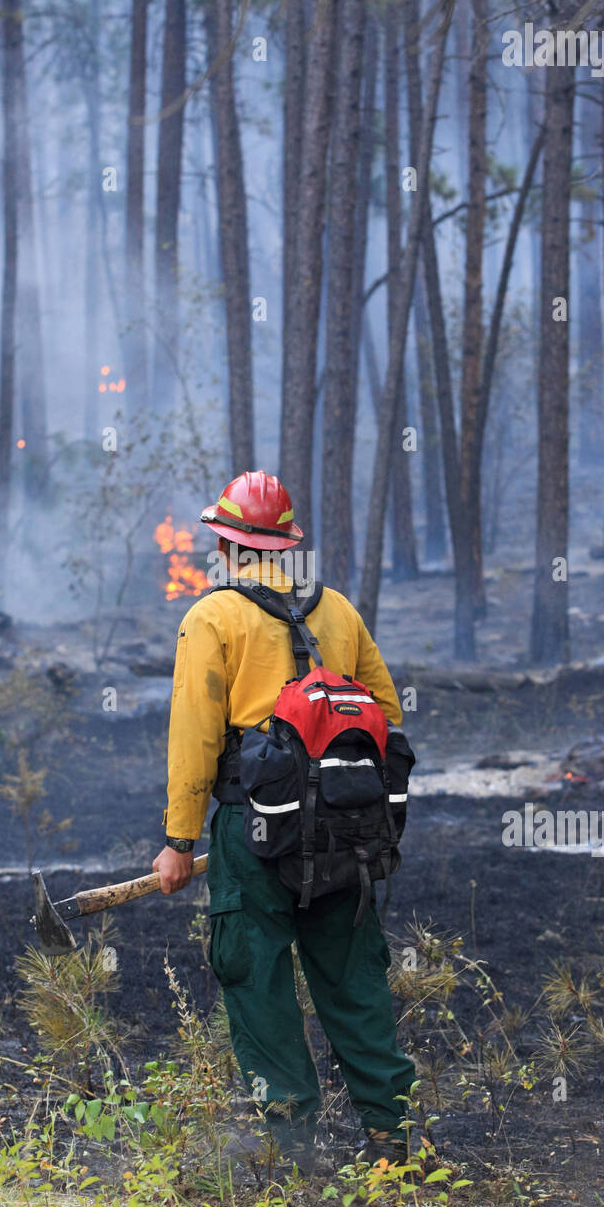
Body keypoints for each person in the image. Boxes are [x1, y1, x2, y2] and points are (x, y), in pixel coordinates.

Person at [154, 470, 415, 1167]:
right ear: (286, 541)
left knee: (257, 977)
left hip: (255, 831)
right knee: (353, 977)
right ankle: (392, 1137)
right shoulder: (340, 612)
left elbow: (195, 738)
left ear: (226, 543)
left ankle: (292, 1148)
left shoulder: (212, 617)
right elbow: (387, 718)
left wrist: (179, 841)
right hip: (345, 833)